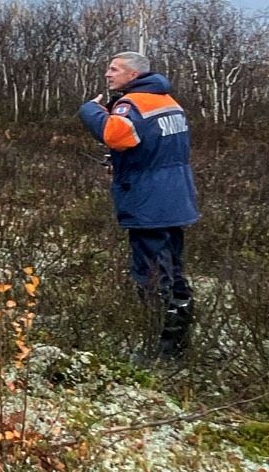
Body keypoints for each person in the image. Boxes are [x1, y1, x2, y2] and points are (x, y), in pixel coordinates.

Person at [78, 52, 198, 354]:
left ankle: (161, 349)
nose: (108, 74)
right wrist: (124, 164)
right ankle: (180, 340)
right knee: (174, 268)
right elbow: (153, 147)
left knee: (152, 273)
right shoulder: (169, 101)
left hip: (149, 202)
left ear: (133, 75)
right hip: (175, 196)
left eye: (113, 69)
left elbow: (115, 135)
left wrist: (91, 111)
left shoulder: (131, 104)